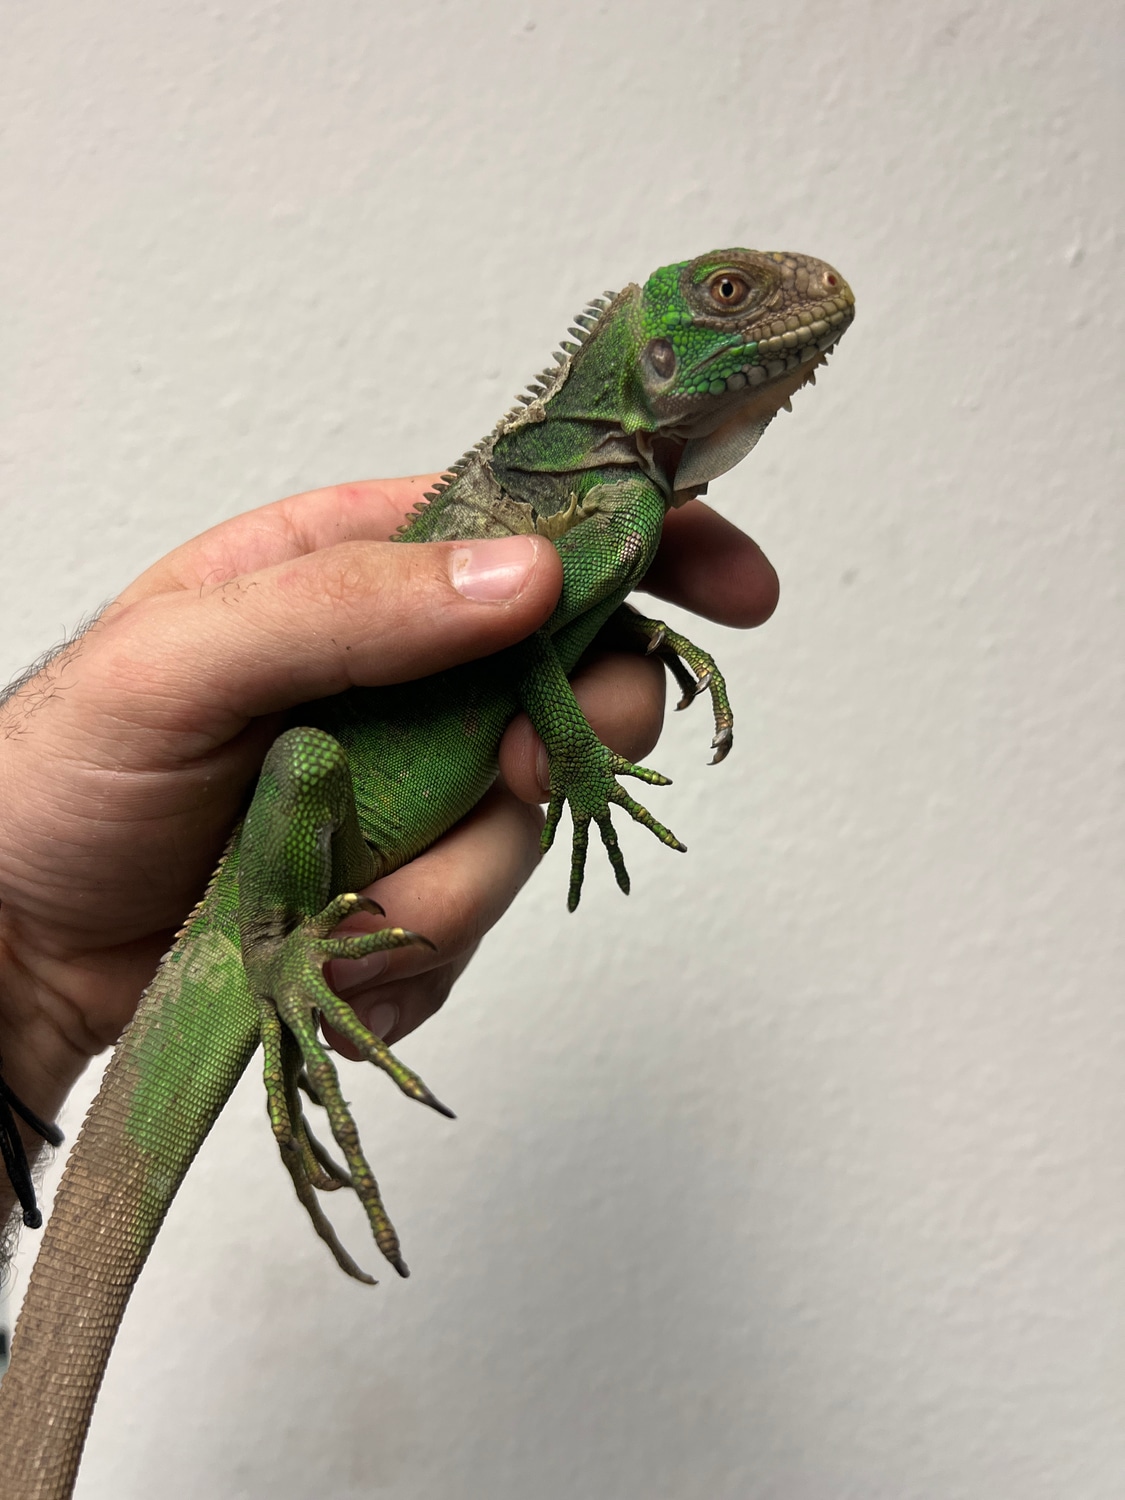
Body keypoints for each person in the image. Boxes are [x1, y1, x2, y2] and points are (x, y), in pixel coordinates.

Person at [0, 474, 778, 1250]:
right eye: (736, 335)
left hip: (311, 853)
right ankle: (271, 945)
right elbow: (521, 630)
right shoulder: (615, 501)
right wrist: (573, 749)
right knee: (307, 762)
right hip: (276, 885)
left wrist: (38, 982)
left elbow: (537, 629)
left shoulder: (618, 502)